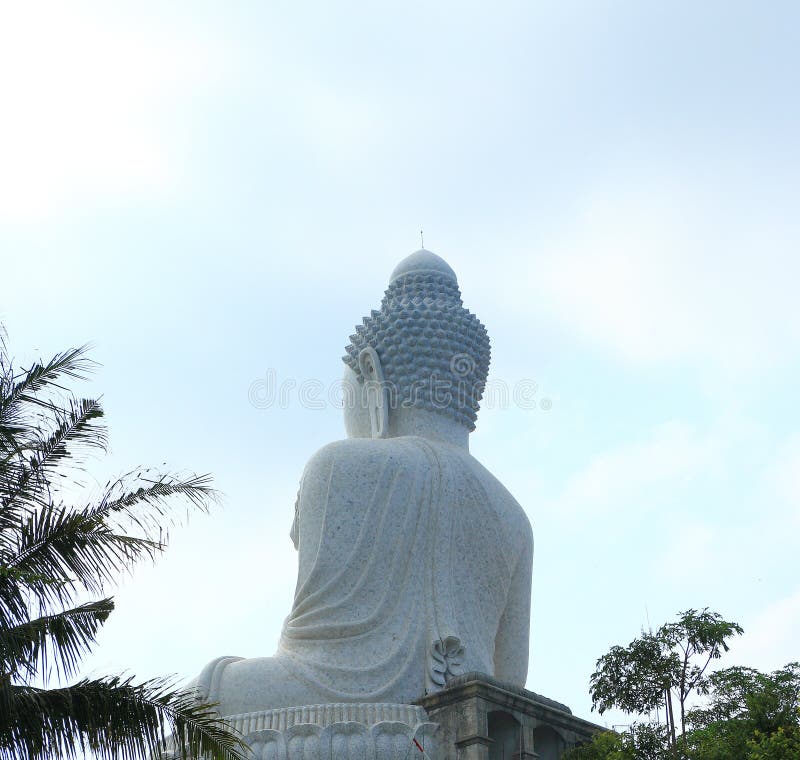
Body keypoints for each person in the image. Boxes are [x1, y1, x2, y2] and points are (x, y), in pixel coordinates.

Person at [196, 249, 533, 716]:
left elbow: (304, 658)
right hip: (467, 726)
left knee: (204, 699)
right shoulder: (513, 517)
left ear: (372, 375)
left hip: (348, 711)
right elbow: (508, 686)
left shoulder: (338, 464)